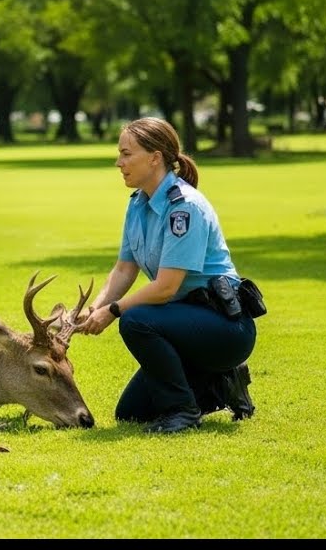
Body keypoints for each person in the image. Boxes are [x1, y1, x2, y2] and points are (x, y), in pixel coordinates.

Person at [75, 117, 258, 433]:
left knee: (136, 320)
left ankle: (183, 412)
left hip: (223, 328)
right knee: (131, 413)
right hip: (185, 324)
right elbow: (124, 268)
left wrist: (114, 311)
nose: (119, 163)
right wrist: (96, 307)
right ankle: (224, 382)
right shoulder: (138, 204)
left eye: (126, 154)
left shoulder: (183, 208)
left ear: (155, 157)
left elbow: (165, 288)